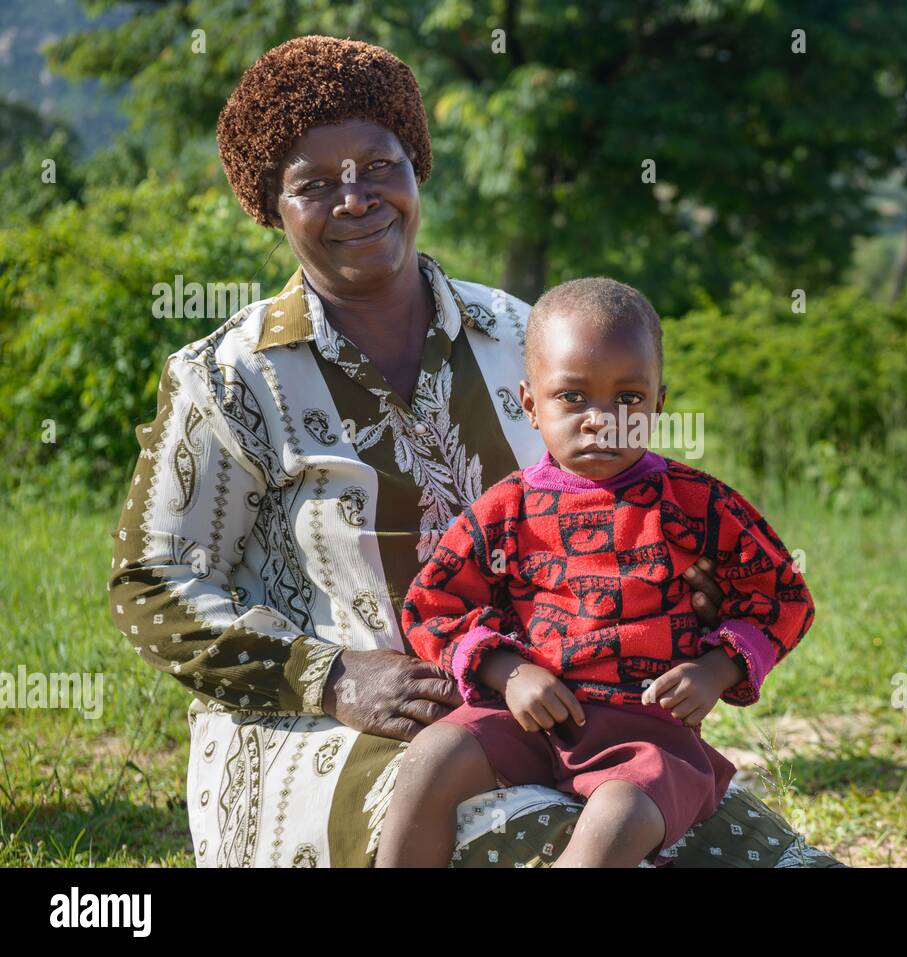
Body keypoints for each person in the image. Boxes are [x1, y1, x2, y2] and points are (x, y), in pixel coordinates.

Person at [107, 34, 841, 867]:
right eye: (314, 183)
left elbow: (628, 505)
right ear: (271, 206)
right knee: (550, 846)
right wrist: (332, 675)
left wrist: (691, 607)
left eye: (380, 165)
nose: (355, 199)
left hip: (582, 712)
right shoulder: (229, 378)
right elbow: (151, 583)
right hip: (345, 735)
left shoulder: (522, 335)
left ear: (417, 168)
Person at [378, 278, 814, 867]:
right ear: (531, 404)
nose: (601, 419)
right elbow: (433, 604)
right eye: (574, 397)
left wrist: (716, 669)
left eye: (629, 398)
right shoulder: (504, 510)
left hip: (648, 734)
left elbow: (783, 593)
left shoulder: (696, 505)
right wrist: (506, 672)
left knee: (618, 821)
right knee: (434, 755)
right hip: (528, 716)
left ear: (660, 402)